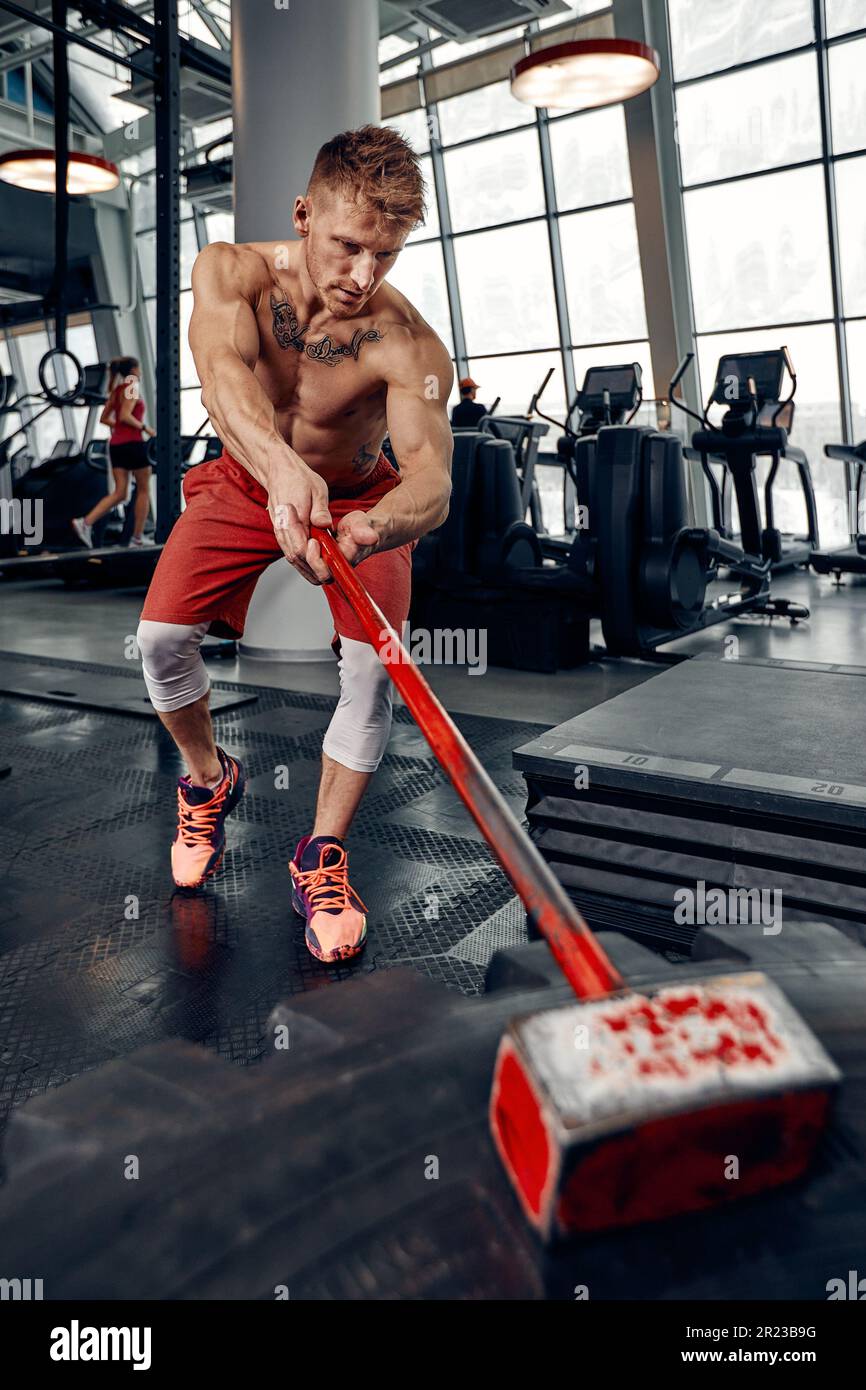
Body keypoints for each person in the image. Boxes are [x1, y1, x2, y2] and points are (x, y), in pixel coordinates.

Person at [136, 125, 453, 965]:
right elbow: (221, 375)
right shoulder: (230, 271)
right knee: (161, 644)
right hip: (248, 481)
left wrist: (375, 525)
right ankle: (209, 780)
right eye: (348, 246)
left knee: (371, 671)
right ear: (305, 213)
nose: (362, 276)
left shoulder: (409, 345)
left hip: (359, 501)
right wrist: (279, 473)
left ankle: (320, 856)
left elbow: (431, 480)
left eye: (384, 255)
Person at [71, 355, 155, 549]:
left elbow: (105, 418)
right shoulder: (132, 385)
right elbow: (125, 416)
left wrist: (120, 428)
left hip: (116, 445)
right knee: (143, 489)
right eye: (139, 368)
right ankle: (137, 539)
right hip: (133, 444)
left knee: (120, 493)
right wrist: (145, 428)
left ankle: (85, 522)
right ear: (133, 370)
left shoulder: (117, 389)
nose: (140, 372)